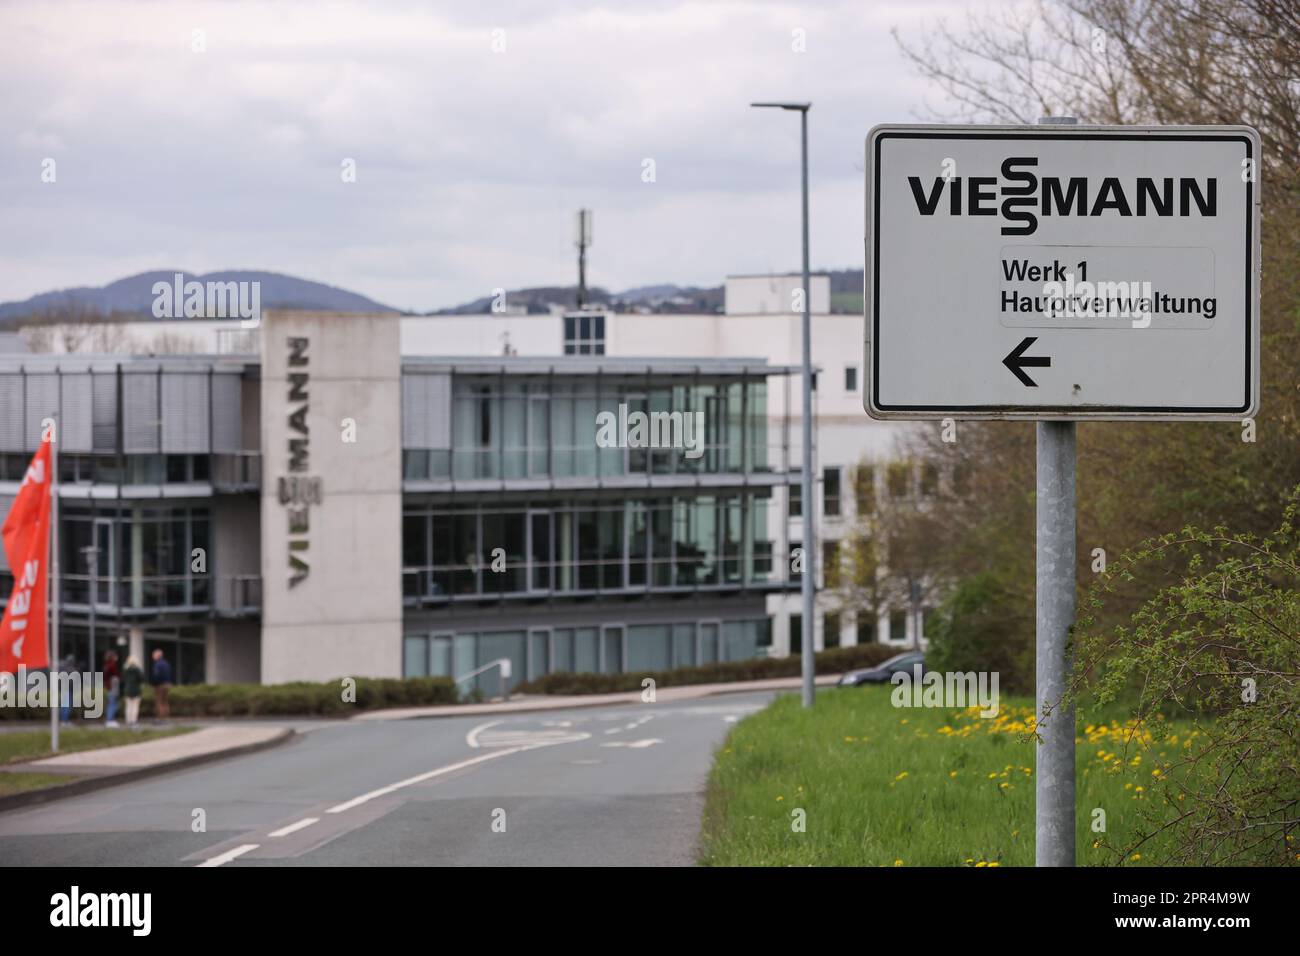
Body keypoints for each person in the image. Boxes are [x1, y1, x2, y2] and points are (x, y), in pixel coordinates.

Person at [150, 649, 173, 721]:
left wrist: (154, 684)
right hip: (167, 684)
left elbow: (156, 675)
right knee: (165, 701)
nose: (152, 656)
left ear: (158, 656)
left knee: (159, 702)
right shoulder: (167, 663)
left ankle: (160, 718)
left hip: (159, 685)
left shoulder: (157, 664)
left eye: (154, 655)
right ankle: (166, 717)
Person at [122, 656, 143, 727]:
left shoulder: (125, 670)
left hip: (127, 689)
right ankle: (134, 721)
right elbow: (141, 679)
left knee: (128, 706)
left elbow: (123, 679)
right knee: (135, 706)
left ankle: (128, 720)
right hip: (136, 689)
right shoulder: (138, 670)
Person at [103, 650, 121, 727]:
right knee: (113, 703)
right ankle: (110, 720)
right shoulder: (112, 665)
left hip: (110, 686)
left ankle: (110, 720)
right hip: (112, 686)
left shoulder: (106, 665)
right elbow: (115, 675)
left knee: (112, 703)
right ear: (113, 657)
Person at [58, 653, 76, 724]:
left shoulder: (62, 668)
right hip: (67, 690)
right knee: (67, 707)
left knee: (64, 706)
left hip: (64, 690)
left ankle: (64, 721)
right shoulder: (69, 669)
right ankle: (64, 721)